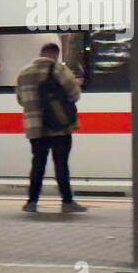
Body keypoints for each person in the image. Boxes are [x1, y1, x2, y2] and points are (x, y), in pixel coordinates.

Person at [16, 41, 86, 214]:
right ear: (55, 54)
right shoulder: (59, 70)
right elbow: (75, 94)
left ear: (41, 53)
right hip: (59, 126)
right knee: (61, 163)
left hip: (35, 128)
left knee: (38, 163)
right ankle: (67, 202)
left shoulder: (24, 73)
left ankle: (31, 202)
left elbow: (20, 100)